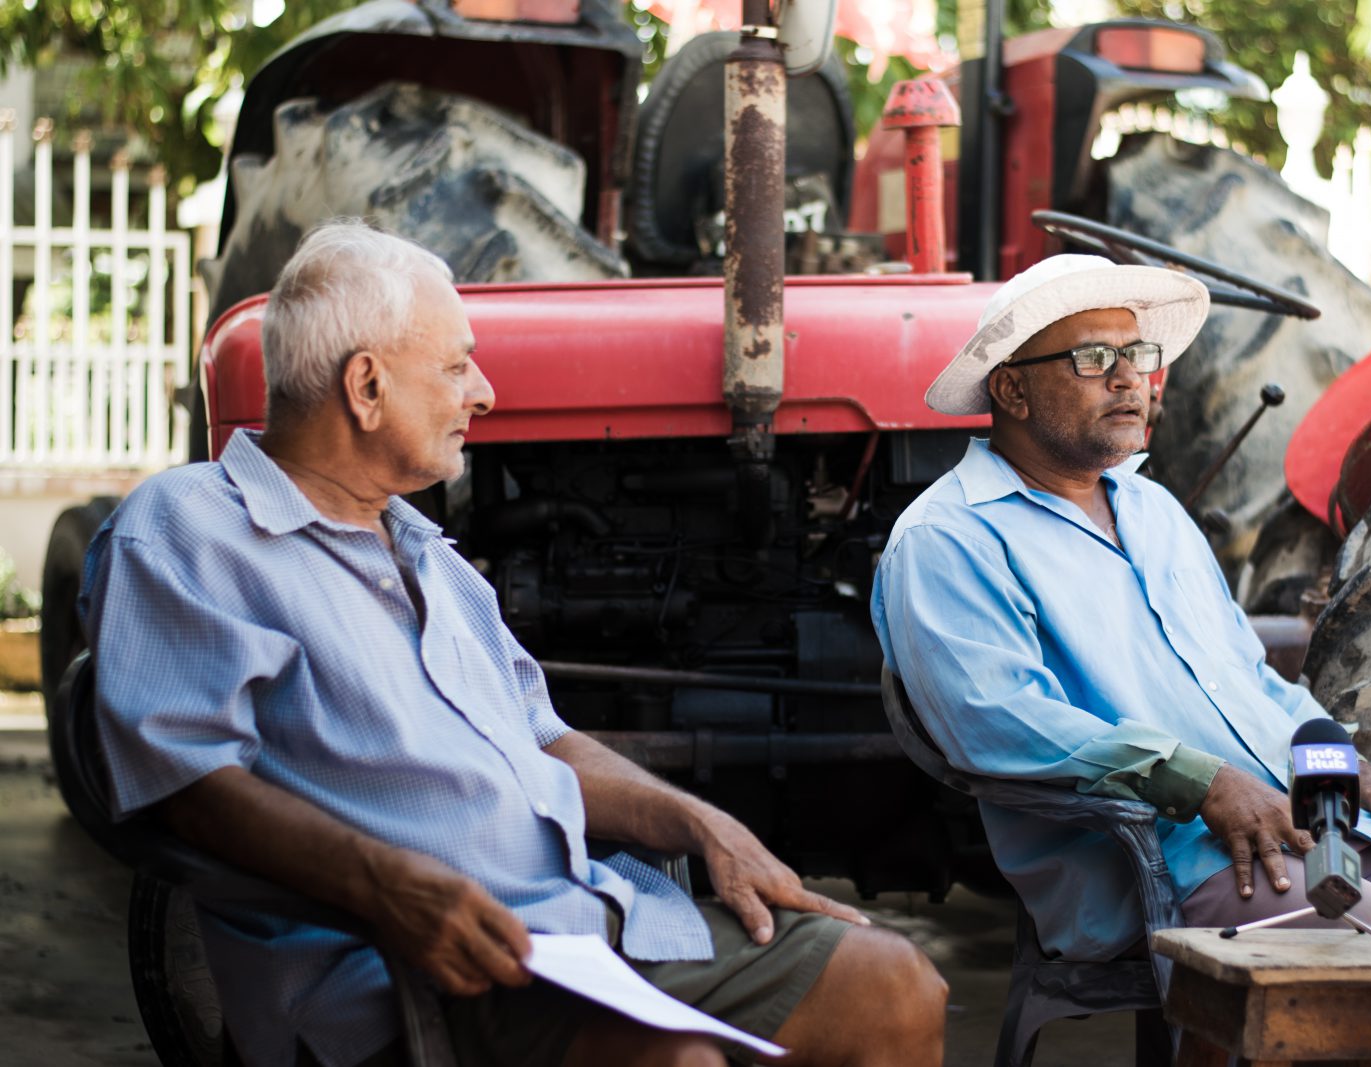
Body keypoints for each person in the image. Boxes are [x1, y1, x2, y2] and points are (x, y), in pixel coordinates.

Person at [82, 220, 947, 1067]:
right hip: (411, 965)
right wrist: (390, 888)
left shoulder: (429, 555)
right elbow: (185, 784)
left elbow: (544, 741)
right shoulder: (188, 529)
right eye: (457, 366)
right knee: (671, 1060)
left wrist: (703, 822)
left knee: (897, 987)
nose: (484, 393)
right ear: (366, 386)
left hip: (582, 923)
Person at [870, 254, 1371, 1067]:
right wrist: (1200, 781)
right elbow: (996, 722)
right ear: (1010, 390)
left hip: (1300, 821)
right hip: (1153, 859)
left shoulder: (1151, 509)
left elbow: (1252, 684)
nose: (1128, 380)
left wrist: (1338, 763)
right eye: (1093, 359)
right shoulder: (948, 539)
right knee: (1363, 943)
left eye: (1138, 357)